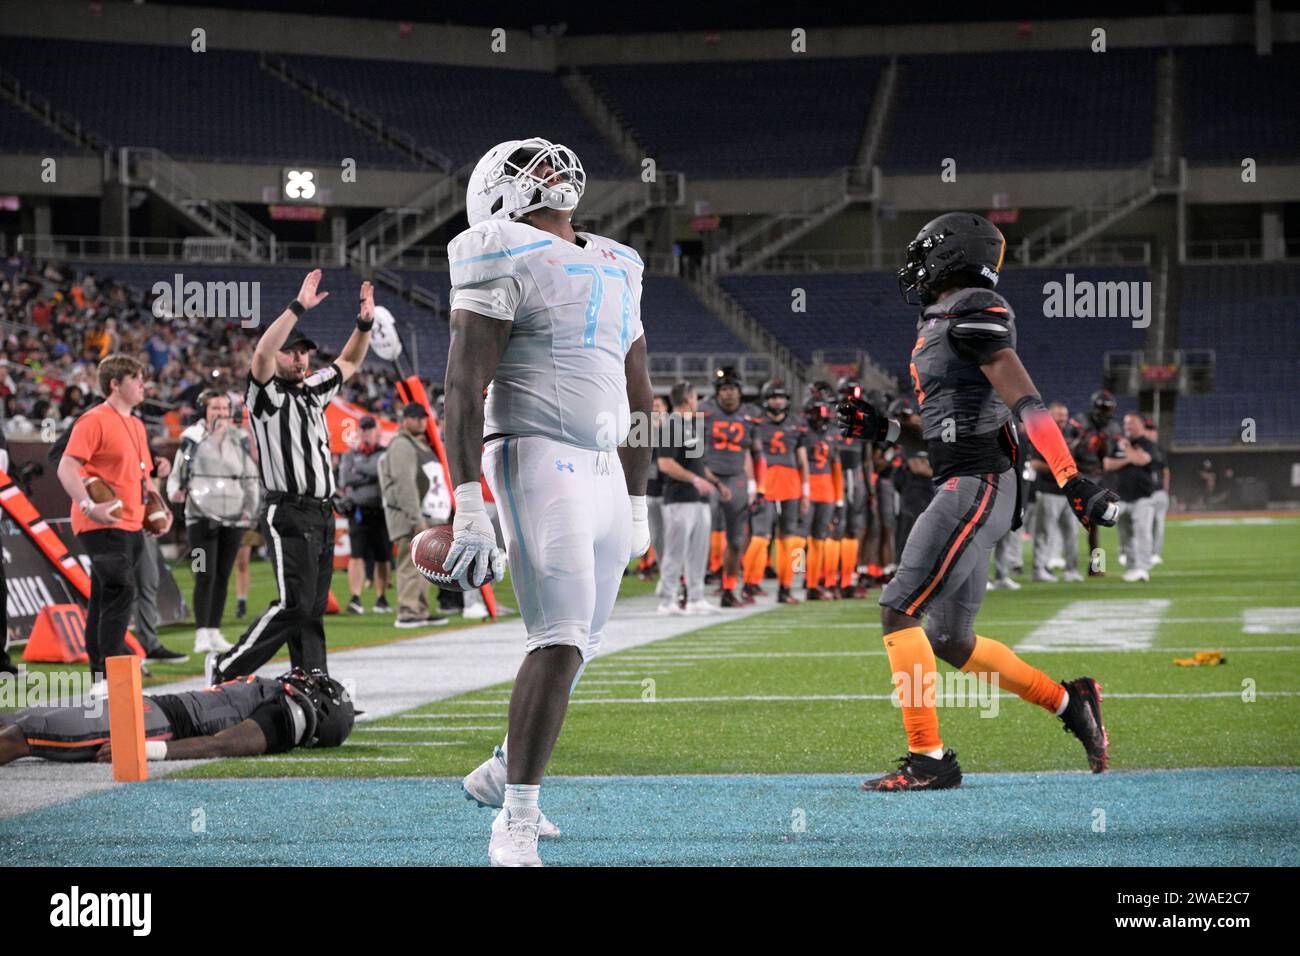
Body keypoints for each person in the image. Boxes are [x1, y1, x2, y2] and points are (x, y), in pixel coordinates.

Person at [838, 212, 1118, 790]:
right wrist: (885, 431)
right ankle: (1071, 702)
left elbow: (1029, 405)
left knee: (899, 609)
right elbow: (945, 432)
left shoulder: (971, 308)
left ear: (951, 254)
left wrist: (1071, 480)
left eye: (924, 252)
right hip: (967, 478)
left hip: (978, 483)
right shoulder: (943, 317)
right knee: (950, 640)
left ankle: (929, 760)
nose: (914, 264)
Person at [442, 137, 652, 866]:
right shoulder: (494, 245)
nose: (548, 173)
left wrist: (640, 495)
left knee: (584, 644)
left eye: (551, 163)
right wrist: (468, 496)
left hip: (602, 468)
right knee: (557, 637)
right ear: (493, 192)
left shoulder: (621, 260)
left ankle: (502, 767)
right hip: (534, 452)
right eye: (527, 167)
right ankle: (516, 820)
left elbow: (640, 391)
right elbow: (463, 386)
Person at [207, 270, 375, 684]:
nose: (299, 358)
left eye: (303, 352)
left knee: (313, 608)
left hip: (321, 511)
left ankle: (311, 678)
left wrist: (364, 325)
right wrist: (297, 307)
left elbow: (350, 361)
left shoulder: (314, 390)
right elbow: (261, 357)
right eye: (291, 352)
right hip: (289, 510)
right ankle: (226, 666)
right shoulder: (265, 395)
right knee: (294, 604)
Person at [56, 354, 174, 697]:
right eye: (136, 379)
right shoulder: (94, 420)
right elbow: (66, 466)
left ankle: (99, 674)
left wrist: (160, 510)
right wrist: (89, 505)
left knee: (105, 594)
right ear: (115, 384)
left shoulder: (136, 424)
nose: (143, 385)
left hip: (132, 524)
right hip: (101, 523)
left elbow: (143, 478)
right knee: (121, 589)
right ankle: (109, 671)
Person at [0, 668, 354, 765]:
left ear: (318, 706)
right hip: (153, 704)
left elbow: (223, 745)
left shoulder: (285, 715)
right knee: (14, 716)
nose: (307, 678)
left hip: (157, 721)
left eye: (317, 685)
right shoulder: (277, 693)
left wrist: (148, 751)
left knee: (28, 732)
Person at [168, 389, 260, 653]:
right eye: (215, 408)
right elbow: (177, 475)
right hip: (199, 517)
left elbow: (250, 477)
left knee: (223, 574)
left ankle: (214, 630)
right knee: (202, 573)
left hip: (234, 518)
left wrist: (250, 511)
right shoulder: (192, 439)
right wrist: (174, 491)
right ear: (204, 411)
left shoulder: (240, 439)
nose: (220, 414)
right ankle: (201, 632)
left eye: (224, 408)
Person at [656, 382, 729, 616]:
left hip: (699, 499)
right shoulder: (671, 424)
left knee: (699, 551)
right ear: (688, 398)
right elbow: (665, 463)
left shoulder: (692, 424)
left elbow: (698, 466)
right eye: (695, 396)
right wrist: (694, 481)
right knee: (676, 551)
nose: (697, 399)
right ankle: (667, 600)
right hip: (679, 498)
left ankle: (696, 598)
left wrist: (716, 483)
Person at [378, 403, 449, 628]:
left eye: (423, 418)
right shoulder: (402, 445)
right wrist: (415, 519)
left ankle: (421, 610)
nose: (421, 421)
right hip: (410, 516)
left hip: (424, 514)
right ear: (405, 419)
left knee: (425, 566)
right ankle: (408, 612)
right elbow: (404, 484)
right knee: (410, 563)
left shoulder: (419, 444)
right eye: (416, 418)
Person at [741, 380, 809, 605]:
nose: (777, 400)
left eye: (781, 397)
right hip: (765, 484)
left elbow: (802, 460)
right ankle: (749, 582)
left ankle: (785, 587)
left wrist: (806, 491)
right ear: (766, 399)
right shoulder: (756, 423)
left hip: (790, 484)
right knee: (760, 537)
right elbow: (749, 455)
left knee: (788, 540)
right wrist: (753, 485)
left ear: (787, 400)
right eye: (773, 397)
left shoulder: (796, 425)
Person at [698, 367, 756, 607]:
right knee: (700, 534)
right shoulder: (704, 411)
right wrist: (706, 477)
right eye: (724, 389)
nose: (728, 394)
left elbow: (753, 452)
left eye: (732, 389)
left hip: (736, 478)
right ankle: (688, 585)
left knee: (735, 541)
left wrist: (753, 483)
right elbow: (694, 451)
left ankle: (729, 589)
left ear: (740, 391)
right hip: (709, 476)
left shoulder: (750, 414)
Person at [339, 416, 393, 615]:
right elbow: (345, 478)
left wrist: (360, 471)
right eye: (364, 429)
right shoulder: (349, 455)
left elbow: (383, 472)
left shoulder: (384, 453)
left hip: (380, 510)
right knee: (356, 556)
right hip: (359, 511)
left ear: (376, 432)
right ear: (359, 432)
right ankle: (355, 597)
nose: (366, 432)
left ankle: (381, 597)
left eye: (370, 429)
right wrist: (372, 473)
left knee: (383, 556)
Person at [1029, 401, 1084, 582]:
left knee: (1071, 533)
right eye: (1058, 417)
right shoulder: (1041, 435)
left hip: (1068, 493)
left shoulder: (1070, 434)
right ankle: (1039, 569)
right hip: (1048, 491)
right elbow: (1035, 464)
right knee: (1043, 533)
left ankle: (1071, 570)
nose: (1062, 421)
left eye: (1064, 417)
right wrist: (1062, 468)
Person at [1105, 413, 1161, 583]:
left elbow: (1142, 460)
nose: (1128, 427)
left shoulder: (1148, 444)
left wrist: (1127, 450)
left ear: (1141, 425)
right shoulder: (1118, 444)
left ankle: (1143, 569)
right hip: (1121, 496)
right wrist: (1130, 458)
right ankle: (1132, 567)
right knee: (1125, 534)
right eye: (1126, 423)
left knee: (1143, 532)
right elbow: (1108, 464)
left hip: (1143, 497)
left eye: (1132, 424)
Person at [1071, 389, 1121, 575]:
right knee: (1070, 525)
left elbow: (1111, 456)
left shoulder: (1113, 428)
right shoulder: (1080, 423)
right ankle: (1063, 564)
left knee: (1094, 525)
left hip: (1097, 479)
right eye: (1103, 408)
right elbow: (1068, 452)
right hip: (1076, 478)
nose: (1106, 413)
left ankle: (1095, 566)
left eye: (1109, 409)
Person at [802, 398, 843, 601]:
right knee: (799, 538)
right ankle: (797, 574)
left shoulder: (832, 435)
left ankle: (813, 581)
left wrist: (839, 498)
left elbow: (836, 466)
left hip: (826, 489)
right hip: (808, 487)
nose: (820, 421)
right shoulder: (802, 432)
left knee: (819, 539)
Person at [833, 378, 869, 599]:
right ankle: (829, 577)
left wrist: (868, 484)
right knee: (837, 527)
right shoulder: (830, 415)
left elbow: (865, 457)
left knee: (853, 528)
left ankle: (848, 577)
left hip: (855, 474)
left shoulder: (863, 416)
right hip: (836, 473)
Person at [1145, 419, 1170, 565]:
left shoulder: (1159, 449)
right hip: (1144, 493)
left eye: (1153, 430)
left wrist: (1165, 490)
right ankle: (1141, 552)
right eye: (1148, 429)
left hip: (1158, 492)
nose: (1151, 433)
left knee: (1158, 523)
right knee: (1143, 524)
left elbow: (1166, 471)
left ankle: (1155, 553)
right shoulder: (1139, 446)